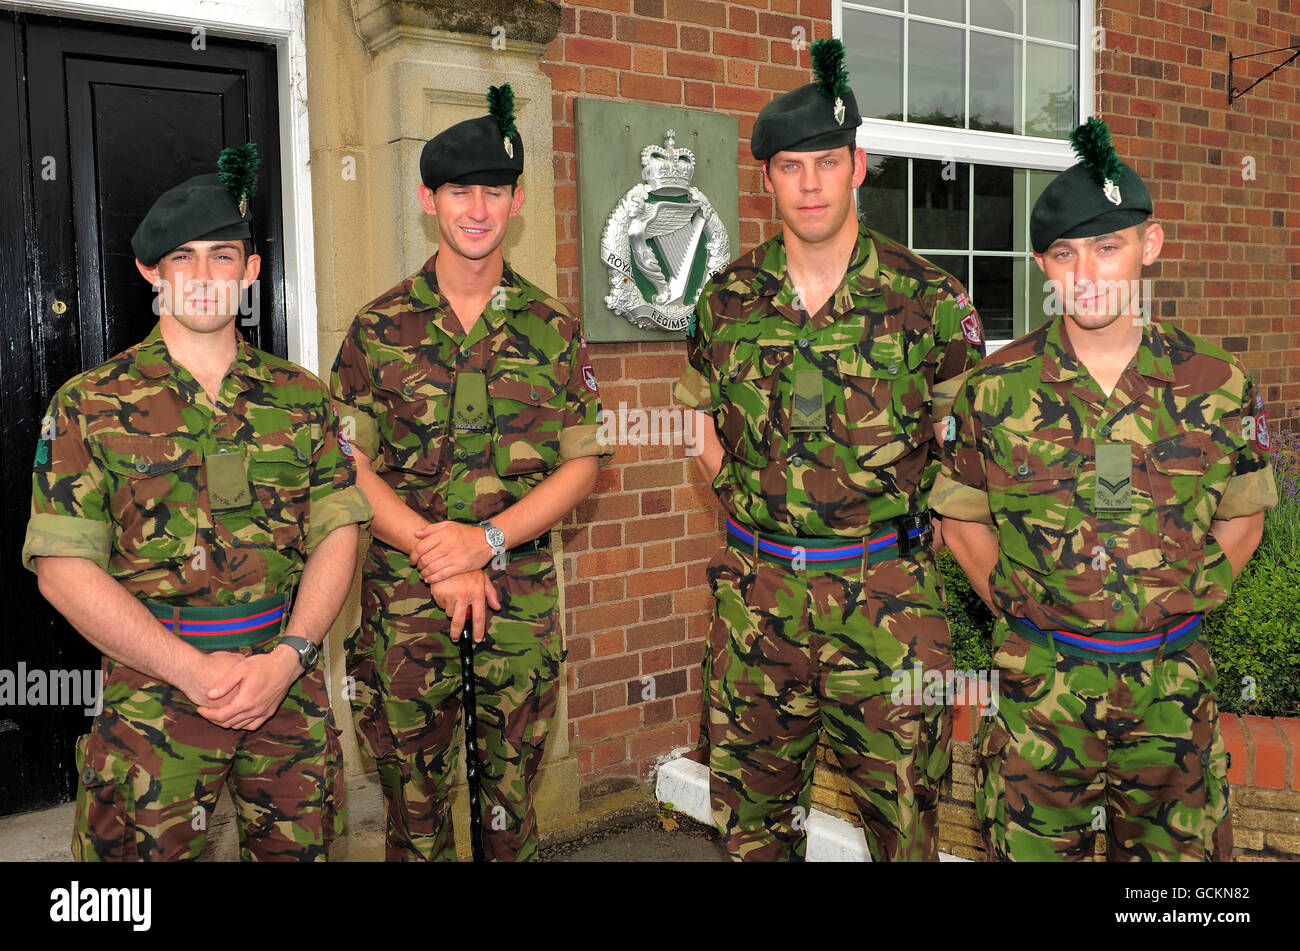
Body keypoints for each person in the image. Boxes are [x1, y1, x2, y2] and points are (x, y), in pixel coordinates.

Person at [673, 39, 985, 861]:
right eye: (789, 166)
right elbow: (695, 419)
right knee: (750, 826)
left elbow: (971, 449)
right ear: (767, 178)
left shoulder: (927, 300)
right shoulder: (730, 298)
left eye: (827, 162)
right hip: (756, 602)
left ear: (859, 165)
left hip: (887, 602)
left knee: (905, 824)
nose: (809, 183)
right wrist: (742, 505)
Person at [932, 117, 1276, 861]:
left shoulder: (1216, 384)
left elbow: (1243, 520)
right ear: (1041, 265)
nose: (1085, 272)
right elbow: (962, 525)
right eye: (1065, 253)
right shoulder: (993, 390)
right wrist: (1037, 615)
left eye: (1107, 246)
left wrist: (1171, 600)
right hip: (1039, 700)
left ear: (1149, 246)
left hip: (1171, 695)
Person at [23, 145, 372, 861]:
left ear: (250, 271)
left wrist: (290, 655)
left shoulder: (302, 398)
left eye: (223, 255)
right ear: (152, 272)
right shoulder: (91, 404)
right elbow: (61, 568)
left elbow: (340, 533)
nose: (205, 277)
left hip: (287, 686)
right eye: (183, 257)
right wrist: (193, 670)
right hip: (154, 695)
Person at [331, 84, 609, 862]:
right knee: (413, 824)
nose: (477, 208)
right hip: (404, 616)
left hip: (515, 610)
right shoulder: (377, 328)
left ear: (518, 201)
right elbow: (347, 466)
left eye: (494, 190)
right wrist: (439, 551)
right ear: (429, 199)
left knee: (508, 818)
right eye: (460, 191)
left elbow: (581, 463)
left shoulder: (554, 331)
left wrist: (485, 539)